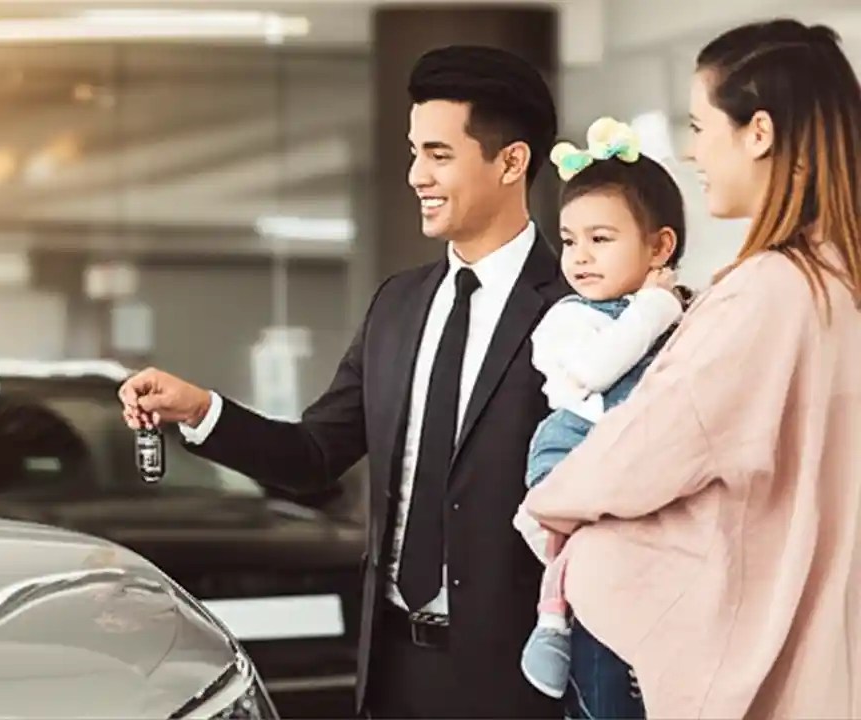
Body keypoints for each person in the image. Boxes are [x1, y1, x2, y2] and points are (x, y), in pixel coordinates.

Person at [120, 45, 564, 718]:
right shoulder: (398, 306)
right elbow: (314, 455)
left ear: (511, 162)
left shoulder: (575, 312)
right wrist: (202, 410)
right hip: (391, 671)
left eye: (439, 154)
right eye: (413, 152)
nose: (416, 175)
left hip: (519, 682)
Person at [523, 18, 861, 719]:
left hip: (755, 663)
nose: (690, 150)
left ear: (758, 132)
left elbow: (652, 448)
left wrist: (551, 497)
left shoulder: (765, 291)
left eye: (701, 127)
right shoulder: (842, 285)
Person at [510, 117, 690, 714]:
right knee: (585, 574)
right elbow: (595, 369)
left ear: (660, 246)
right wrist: (654, 308)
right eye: (569, 240)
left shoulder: (685, 312)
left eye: (601, 239)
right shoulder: (567, 319)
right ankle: (553, 623)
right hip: (574, 454)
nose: (580, 257)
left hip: (641, 484)